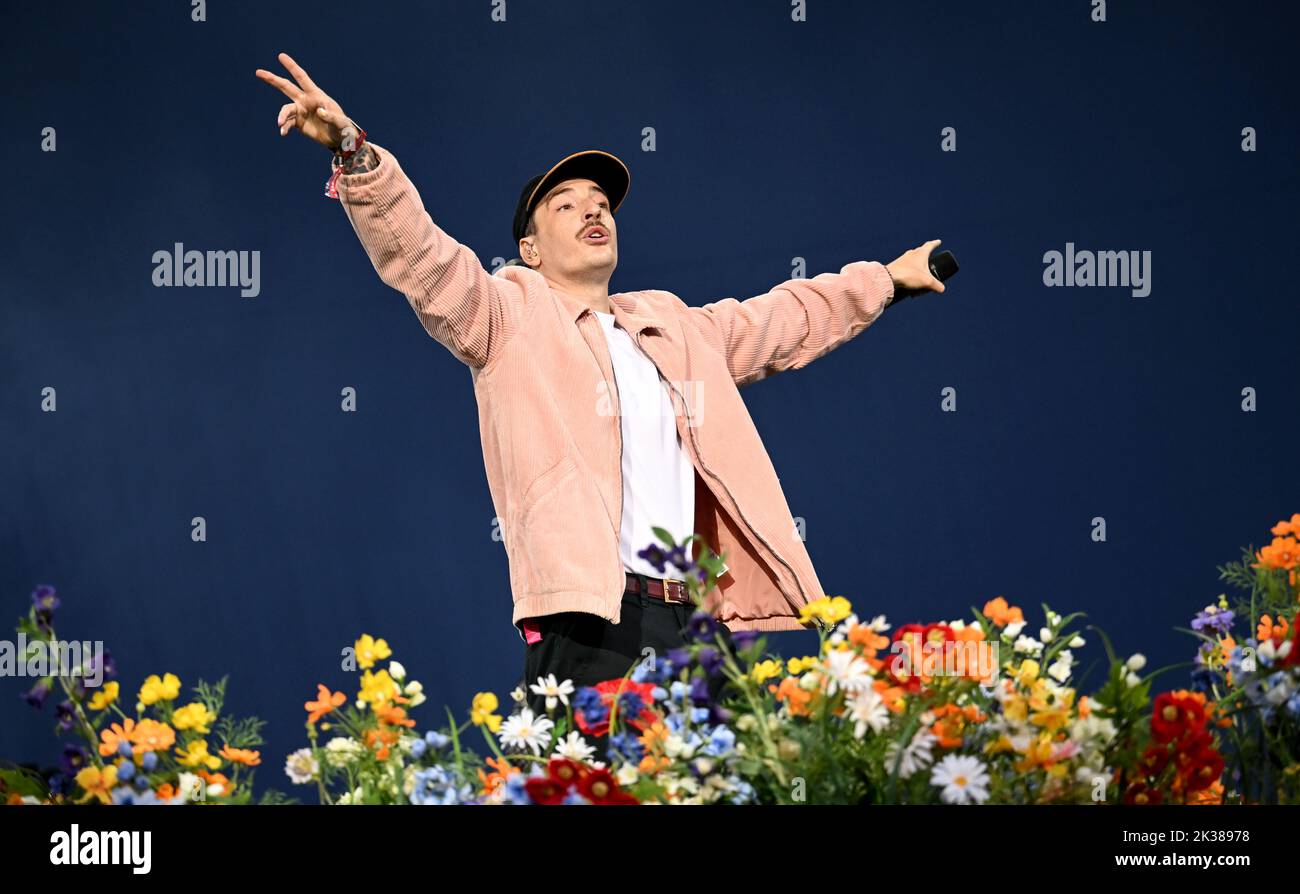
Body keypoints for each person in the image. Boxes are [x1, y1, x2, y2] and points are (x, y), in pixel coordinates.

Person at [255, 53, 947, 733]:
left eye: (601, 205)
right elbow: (425, 259)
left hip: (694, 623)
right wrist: (354, 152)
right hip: (590, 623)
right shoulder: (506, 315)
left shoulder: (674, 325)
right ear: (529, 248)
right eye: (566, 205)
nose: (593, 214)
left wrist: (886, 280)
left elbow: (783, 317)